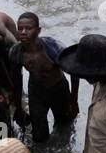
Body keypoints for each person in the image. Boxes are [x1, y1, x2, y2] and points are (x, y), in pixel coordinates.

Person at [8, 12, 78, 144]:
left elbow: (74, 71)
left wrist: (74, 101)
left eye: (28, 28)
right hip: (36, 91)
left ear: (38, 30)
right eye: (20, 28)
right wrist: (18, 108)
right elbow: (16, 81)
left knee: (64, 125)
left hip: (59, 88)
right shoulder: (16, 52)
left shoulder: (52, 47)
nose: (23, 32)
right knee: (39, 135)